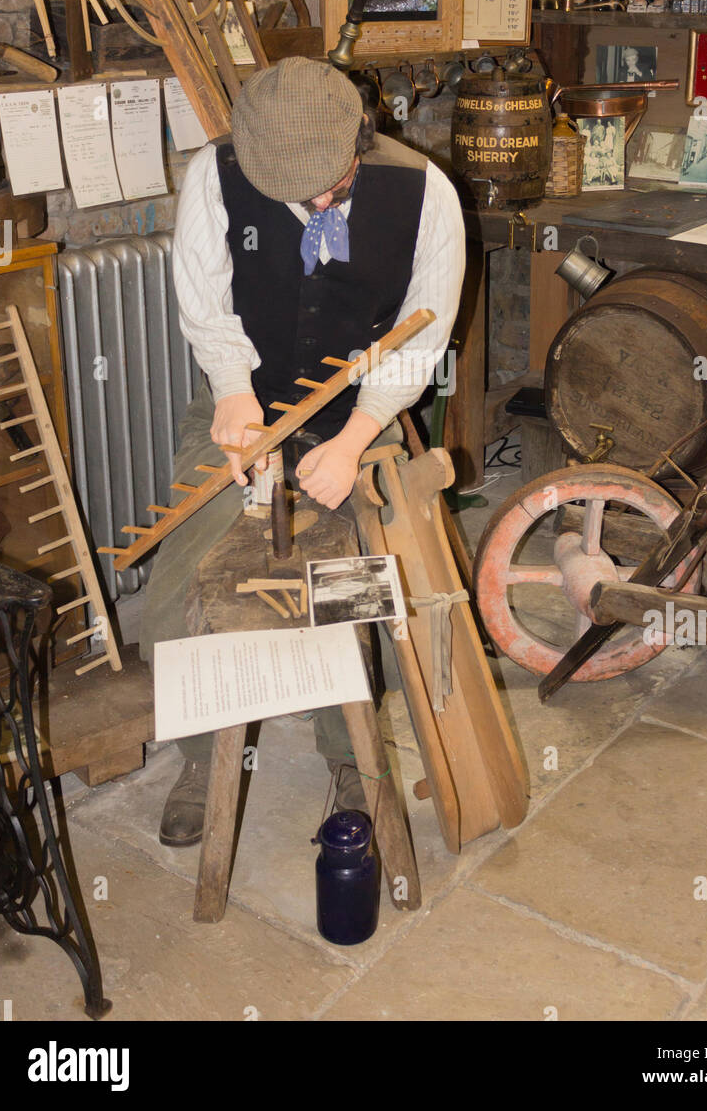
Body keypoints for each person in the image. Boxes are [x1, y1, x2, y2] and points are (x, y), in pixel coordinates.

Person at [140, 57, 465, 847]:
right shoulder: (213, 175)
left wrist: (355, 440)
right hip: (247, 401)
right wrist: (231, 393)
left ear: (360, 136)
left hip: (364, 410)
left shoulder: (426, 195)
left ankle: (347, 754)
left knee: (347, 579)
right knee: (188, 569)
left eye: (324, 183)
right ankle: (197, 750)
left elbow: (419, 342)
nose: (312, 202)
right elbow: (205, 299)